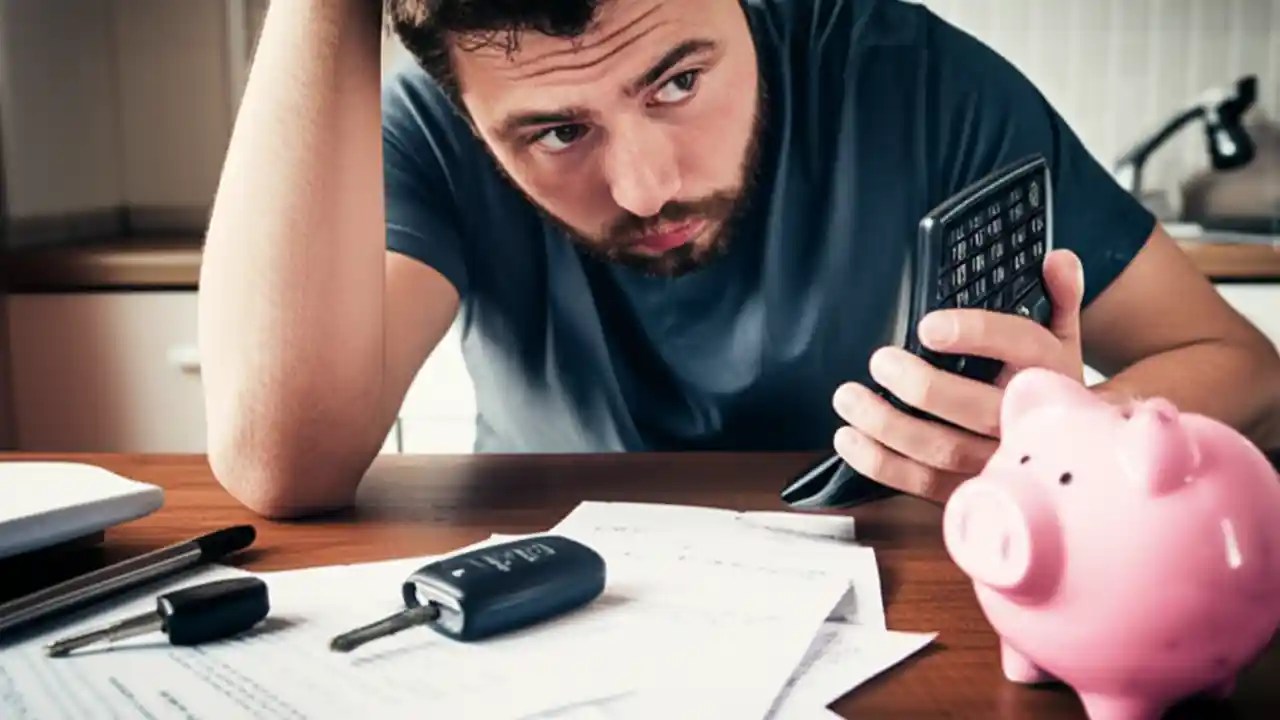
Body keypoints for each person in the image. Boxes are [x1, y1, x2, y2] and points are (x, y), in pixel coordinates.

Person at [198, 0, 1280, 518]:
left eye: (676, 80)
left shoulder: (915, 78)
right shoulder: (425, 128)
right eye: (555, 132)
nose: (647, 188)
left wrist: (1066, 443)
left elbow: (1234, 363)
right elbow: (280, 466)